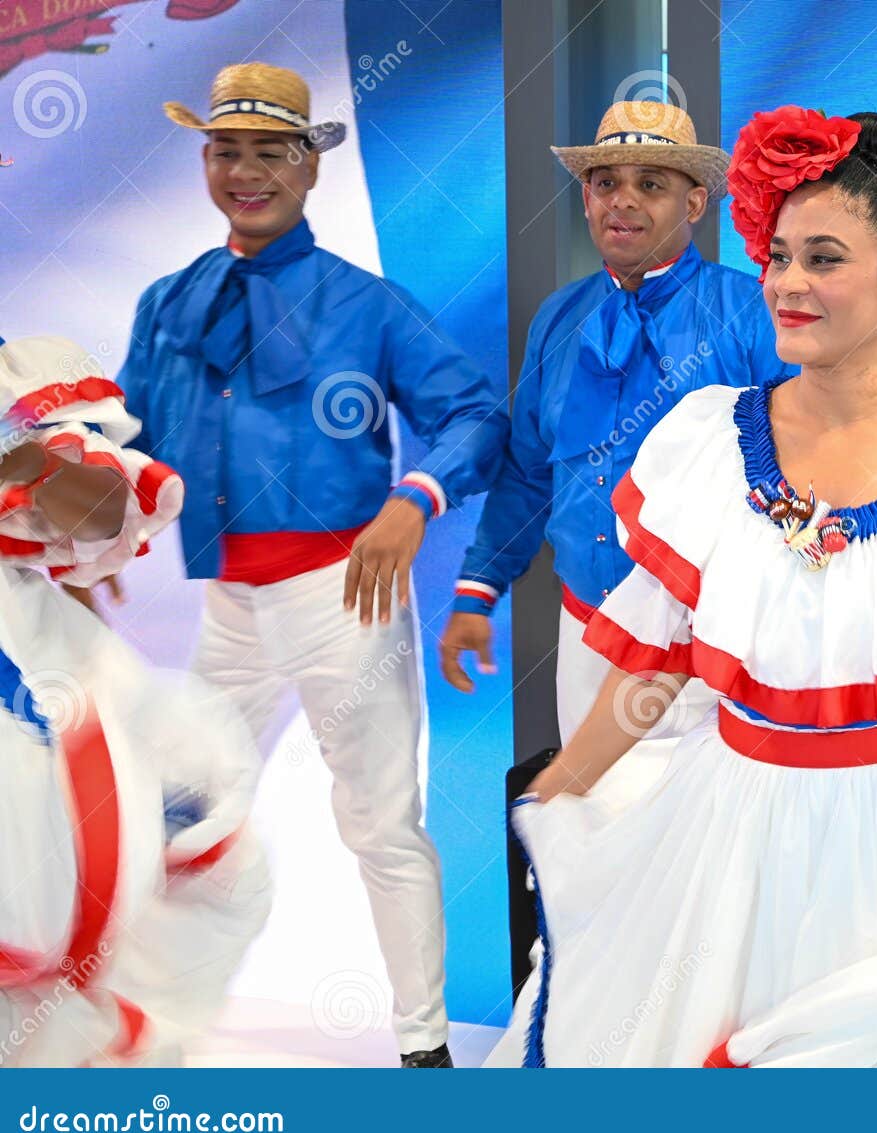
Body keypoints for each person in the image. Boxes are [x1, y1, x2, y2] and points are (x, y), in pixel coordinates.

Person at [485, 107, 877, 1068]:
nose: (786, 284)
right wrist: (563, 790)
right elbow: (656, 663)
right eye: (779, 256)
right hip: (730, 838)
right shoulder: (705, 443)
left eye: (824, 259)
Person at [114, 63, 509, 1067]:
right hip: (228, 607)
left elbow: (474, 418)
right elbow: (122, 438)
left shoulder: (366, 305)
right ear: (206, 161)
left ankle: (424, 1048)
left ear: (308, 166)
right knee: (172, 815)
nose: (245, 171)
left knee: (381, 826)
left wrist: (412, 501)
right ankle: (141, 1027)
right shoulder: (169, 303)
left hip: (346, 595)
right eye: (226, 149)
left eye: (268, 151)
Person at [442, 99, 790, 761]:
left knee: (701, 848)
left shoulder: (752, 314)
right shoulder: (558, 318)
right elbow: (526, 472)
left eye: (650, 184)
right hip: (585, 633)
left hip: (706, 643)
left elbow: (806, 470)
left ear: (693, 204)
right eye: (606, 184)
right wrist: (476, 588)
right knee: (590, 832)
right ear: (585, 200)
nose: (622, 201)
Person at [1, 334, 270, 1067]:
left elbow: (99, 514)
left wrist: (21, 458)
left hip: (34, 651)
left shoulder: (20, 379)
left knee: (196, 822)